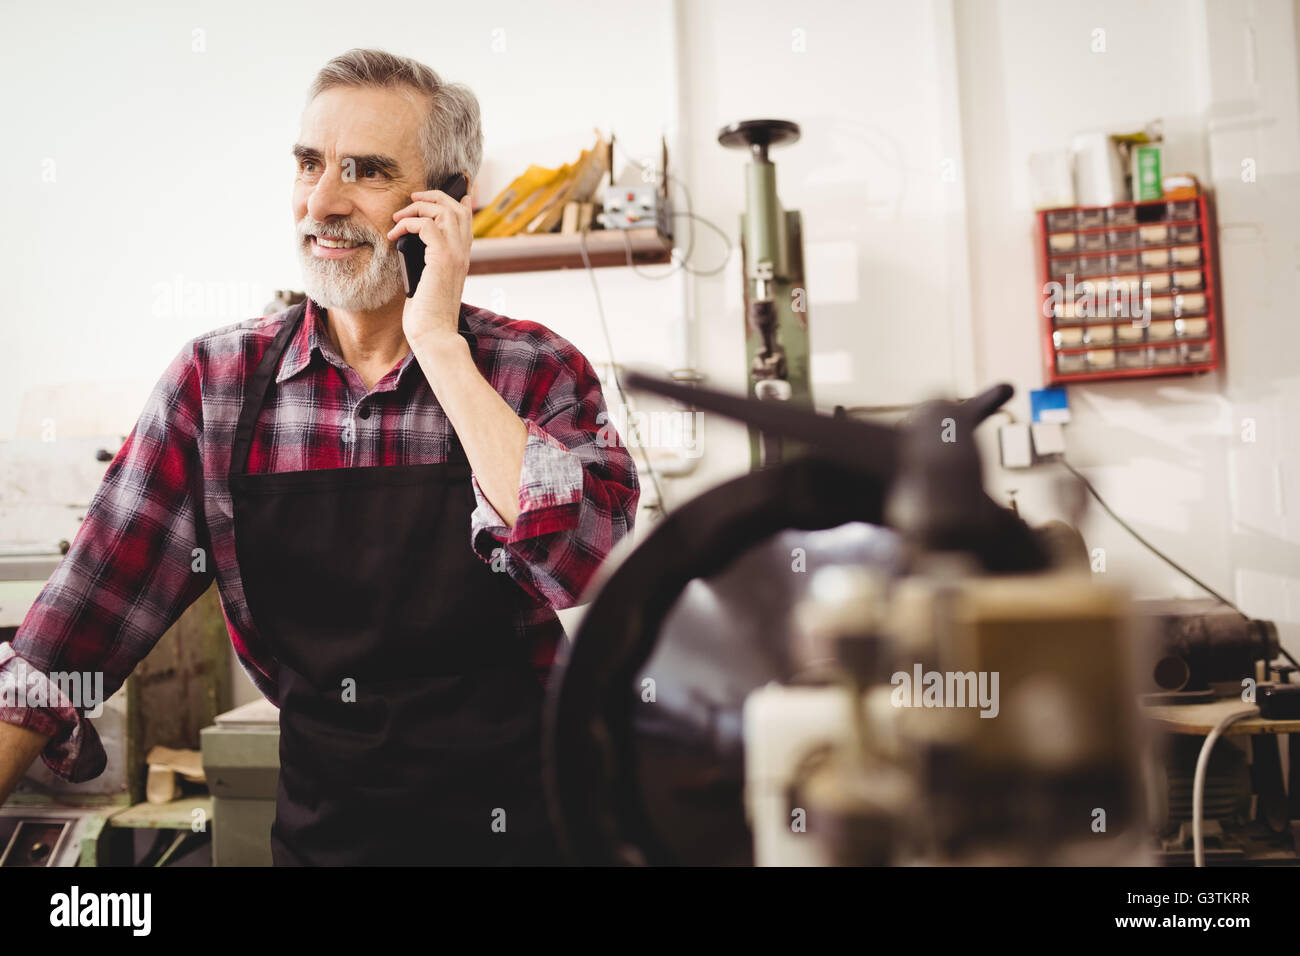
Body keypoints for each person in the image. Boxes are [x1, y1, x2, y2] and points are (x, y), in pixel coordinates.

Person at [0, 48, 640, 865]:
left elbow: (581, 565)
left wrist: (438, 346)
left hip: (531, 831)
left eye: (365, 172)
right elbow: (71, 634)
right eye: (309, 163)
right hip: (328, 839)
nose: (322, 201)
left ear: (441, 205)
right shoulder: (214, 387)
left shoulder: (533, 370)